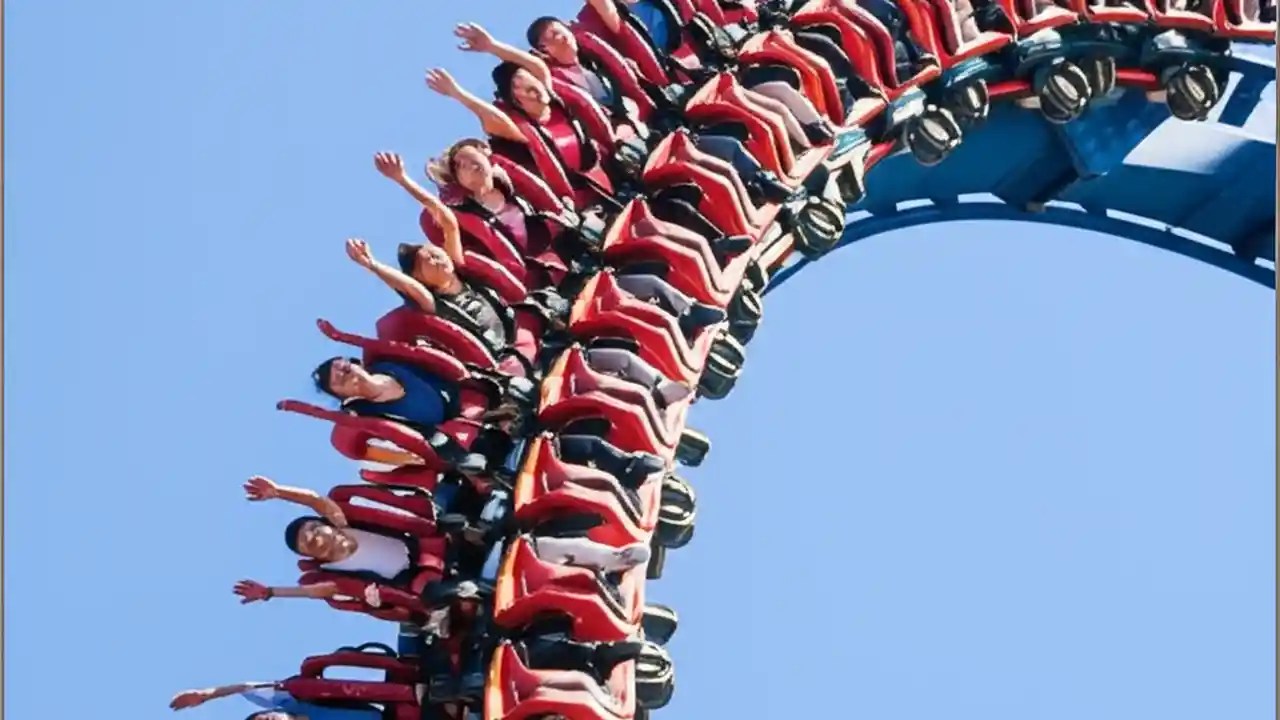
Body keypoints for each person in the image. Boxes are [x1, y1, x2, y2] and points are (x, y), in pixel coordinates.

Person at [426, 62, 795, 210]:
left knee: (724, 146)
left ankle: (762, 180)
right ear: (515, 102)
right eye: (519, 89)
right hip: (603, 193)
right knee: (683, 198)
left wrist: (492, 48)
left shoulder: (563, 102)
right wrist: (458, 93)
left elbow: (538, 68)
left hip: (633, 156)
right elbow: (493, 120)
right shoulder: (526, 132)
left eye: (529, 81)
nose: (530, 89)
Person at [232, 475, 430, 604]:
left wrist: (278, 491)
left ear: (326, 524)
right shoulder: (331, 573)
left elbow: (315, 500)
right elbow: (314, 591)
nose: (316, 538)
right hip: (412, 583)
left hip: (422, 546)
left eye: (314, 529)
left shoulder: (344, 522)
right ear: (310, 555)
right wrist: (271, 592)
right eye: (308, 543)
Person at [312, 351, 488, 473]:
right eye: (340, 382)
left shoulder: (387, 365)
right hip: (447, 444)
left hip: (461, 402)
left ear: (357, 364)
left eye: (346, 369)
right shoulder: (362, 415)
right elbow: (376, 454)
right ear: (341, 396)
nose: (345, 375)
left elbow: (431, 373)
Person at [346, 236, 515, 354]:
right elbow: (409, 286)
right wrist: (371, 264)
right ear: (419, 278)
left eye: (435, 253)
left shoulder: (468, 277)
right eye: (428, 260)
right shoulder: (436, 304)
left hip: (512, 334)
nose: (436, 259)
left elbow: (448, 223)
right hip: (493, 353)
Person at [169, 681, 383, 720]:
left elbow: (245, 688)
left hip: (388, 708)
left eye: (262, 718)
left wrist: (206, 695)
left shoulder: (293, 703)